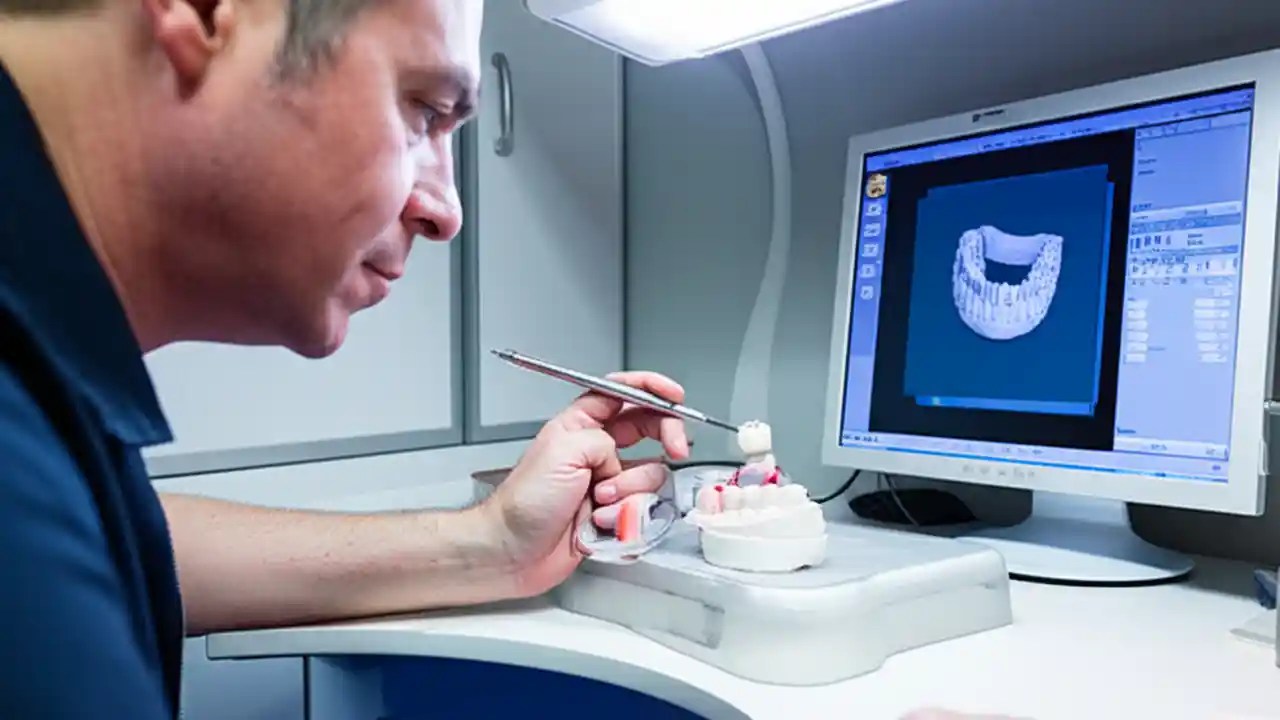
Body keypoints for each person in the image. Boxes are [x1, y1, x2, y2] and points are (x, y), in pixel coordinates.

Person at [0, 1, 689, 717]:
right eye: (423, 110)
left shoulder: (41, 410)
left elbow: (123, 541)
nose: (445, 211)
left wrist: (494, 544)